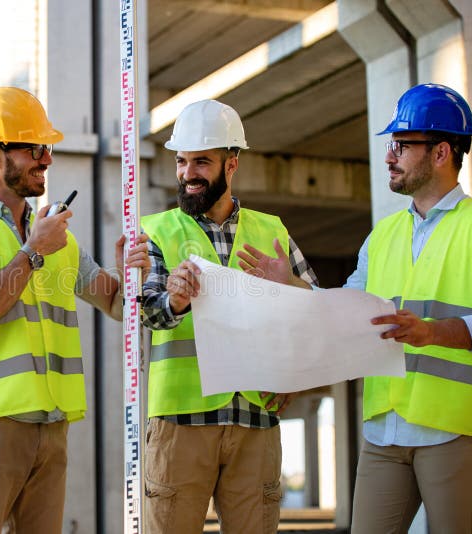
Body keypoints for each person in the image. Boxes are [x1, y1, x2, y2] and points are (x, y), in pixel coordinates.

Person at [0, 87, 149, 533]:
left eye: (47, 148)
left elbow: (116, 303)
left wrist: (130, 275)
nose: (46, 159)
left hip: (51, 431)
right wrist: (33, 252)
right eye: (33, 148)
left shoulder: (55, 237)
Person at [345, 83, 472, 533]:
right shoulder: (382, 234)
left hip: (454, 430)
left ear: (442, 152)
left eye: (402, 145)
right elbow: (348, 308)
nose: (390, 156)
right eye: (392, 145)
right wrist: (291, 285)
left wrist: (431, 332)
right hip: (384, 428)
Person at [140, 99, 319, 533]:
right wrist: (175, 301)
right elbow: (148, 312)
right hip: (182, 423)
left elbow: (314, 313)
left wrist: (292, 375)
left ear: (231, 163)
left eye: (202, 161)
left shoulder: (272, 231)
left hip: (255, 420)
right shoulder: (156, 231)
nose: (188, 173)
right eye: (182, 161)